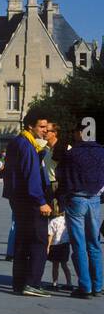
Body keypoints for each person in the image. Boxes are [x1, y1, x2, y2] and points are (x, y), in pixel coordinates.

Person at [2, 108, 53, 296]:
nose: (45, 131)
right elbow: (31, 176)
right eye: (42, 127)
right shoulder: (27, 146)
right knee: (39, 241)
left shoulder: (18, 142)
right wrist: (41, 201)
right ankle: (32, 282)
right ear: (30, 126)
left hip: (18, 199)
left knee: (22, 241)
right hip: (31, 201)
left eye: (47, 128)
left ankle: (20, 282)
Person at [55, 124, 104, 299]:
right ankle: (98, 285)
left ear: (79, 133)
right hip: (95, 199)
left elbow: (62, 176)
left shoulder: (72, 154)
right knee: (94, 242)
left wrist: (60, 199)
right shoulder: (101, 152)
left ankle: (85, 286)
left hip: (76, 198)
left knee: (79, 243)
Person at [46, 205, 73, 292]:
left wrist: (48, 246)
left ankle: (55, 283)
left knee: (55, 265)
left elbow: (50, 235)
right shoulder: (66, 220)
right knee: (64, 265)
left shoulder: (52, 221)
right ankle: (69, 283)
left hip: (55, 245)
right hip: (65, 245)